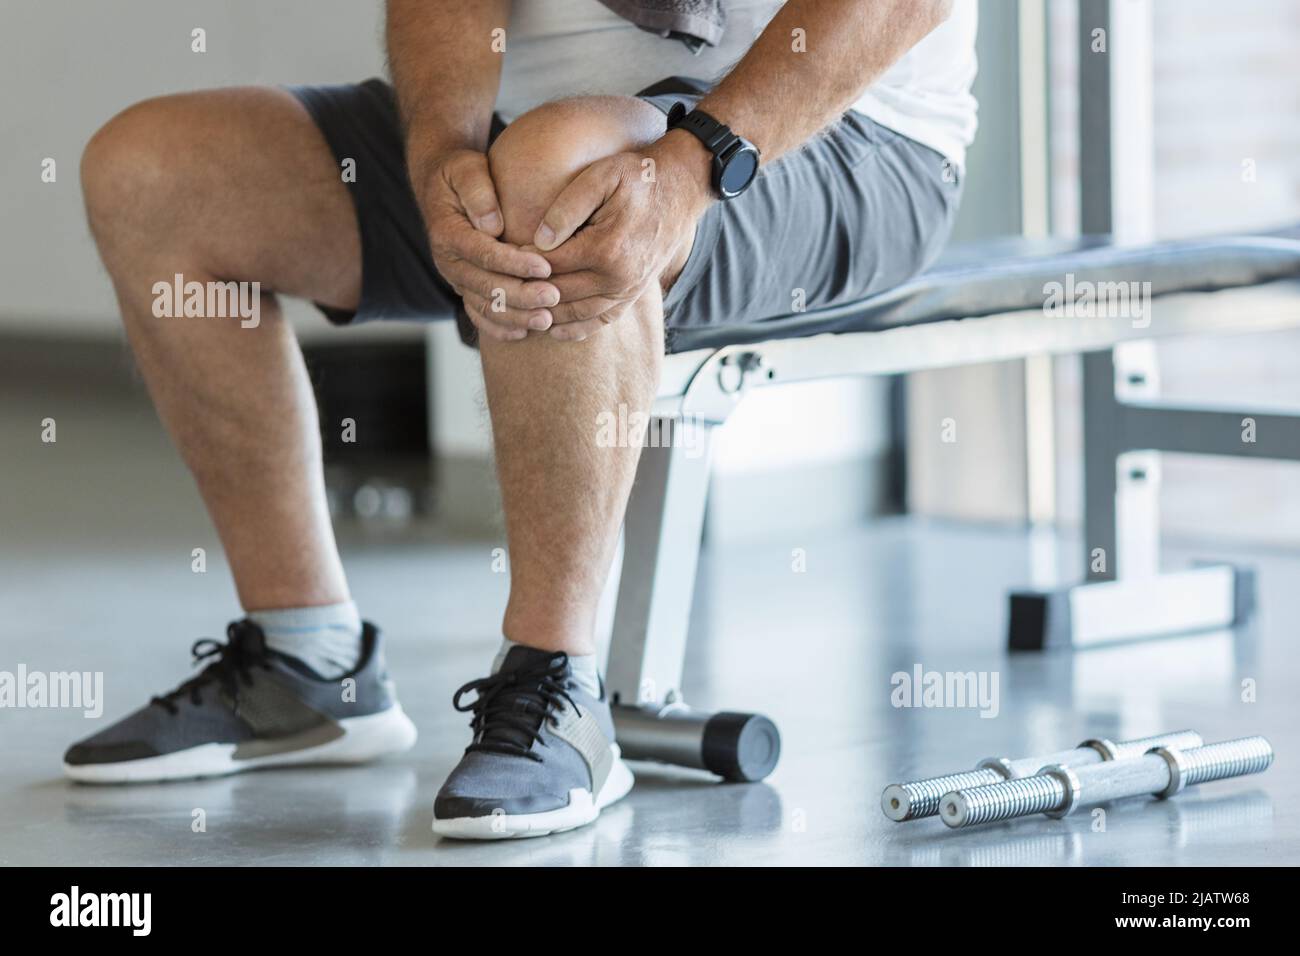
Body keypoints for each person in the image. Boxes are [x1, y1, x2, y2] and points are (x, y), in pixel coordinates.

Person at [67, 0, 977, 839]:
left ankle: (557, 684)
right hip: (529, 134)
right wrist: (438, 157)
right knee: (153, 171)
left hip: (832, 140)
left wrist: (695, 162)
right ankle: (306, 663)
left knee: (561, 171)